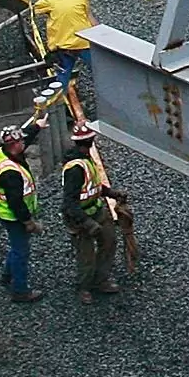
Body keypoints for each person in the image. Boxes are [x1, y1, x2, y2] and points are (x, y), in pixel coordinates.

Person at [61, 123, 128, 302]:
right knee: (86, 254)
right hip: (79, 218)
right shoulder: (74, 169)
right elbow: (69, 203)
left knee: (109, 241)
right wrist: (88, 223)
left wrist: (112, 193)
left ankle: (101, 279)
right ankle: (84, 287)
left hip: (96, 209)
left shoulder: (87, 159)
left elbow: (93, 185)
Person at [0, 128, 38, 303]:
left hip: (5, 214)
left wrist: (37, 126)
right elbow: (16, 202)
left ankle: (7, 276)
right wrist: (28, 221)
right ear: (14, 145)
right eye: (21, 142)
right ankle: (20, 291)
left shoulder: (1, 153)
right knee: (21, 251)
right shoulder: (10, 173)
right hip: (13, 217)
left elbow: (25, 135)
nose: (25, 144)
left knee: (16, 247)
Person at [35, 0, 96, 101]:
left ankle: (58, 103)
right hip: (83, 41)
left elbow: (36, 9)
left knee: (62, 76)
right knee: (98, 69)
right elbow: (89, 16)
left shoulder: (50, 0)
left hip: (63, 46)